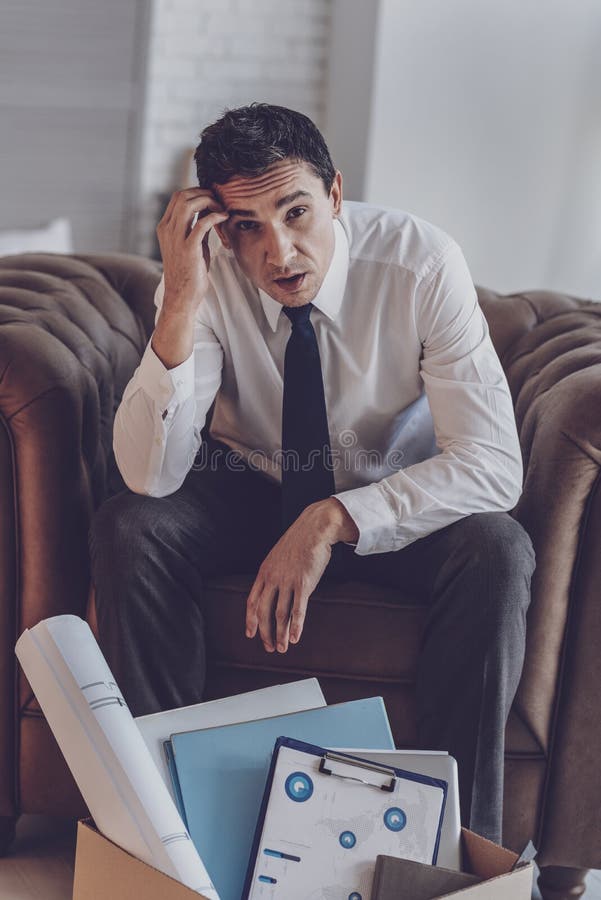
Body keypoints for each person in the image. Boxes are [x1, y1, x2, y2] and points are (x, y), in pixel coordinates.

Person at [89, 102, 535, 845]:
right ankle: (166, 830)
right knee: (130, 527)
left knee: (498, 549)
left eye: (295, 212)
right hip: (250, 484)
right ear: (217, 228)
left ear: (334, 194)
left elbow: (491, 464)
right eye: (246, 227)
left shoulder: (421, 263)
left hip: (390, 492)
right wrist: (181, 300)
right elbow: (149, 477)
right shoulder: (203, 277)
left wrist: (331, 519)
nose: (279, 252)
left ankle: (455, 854)